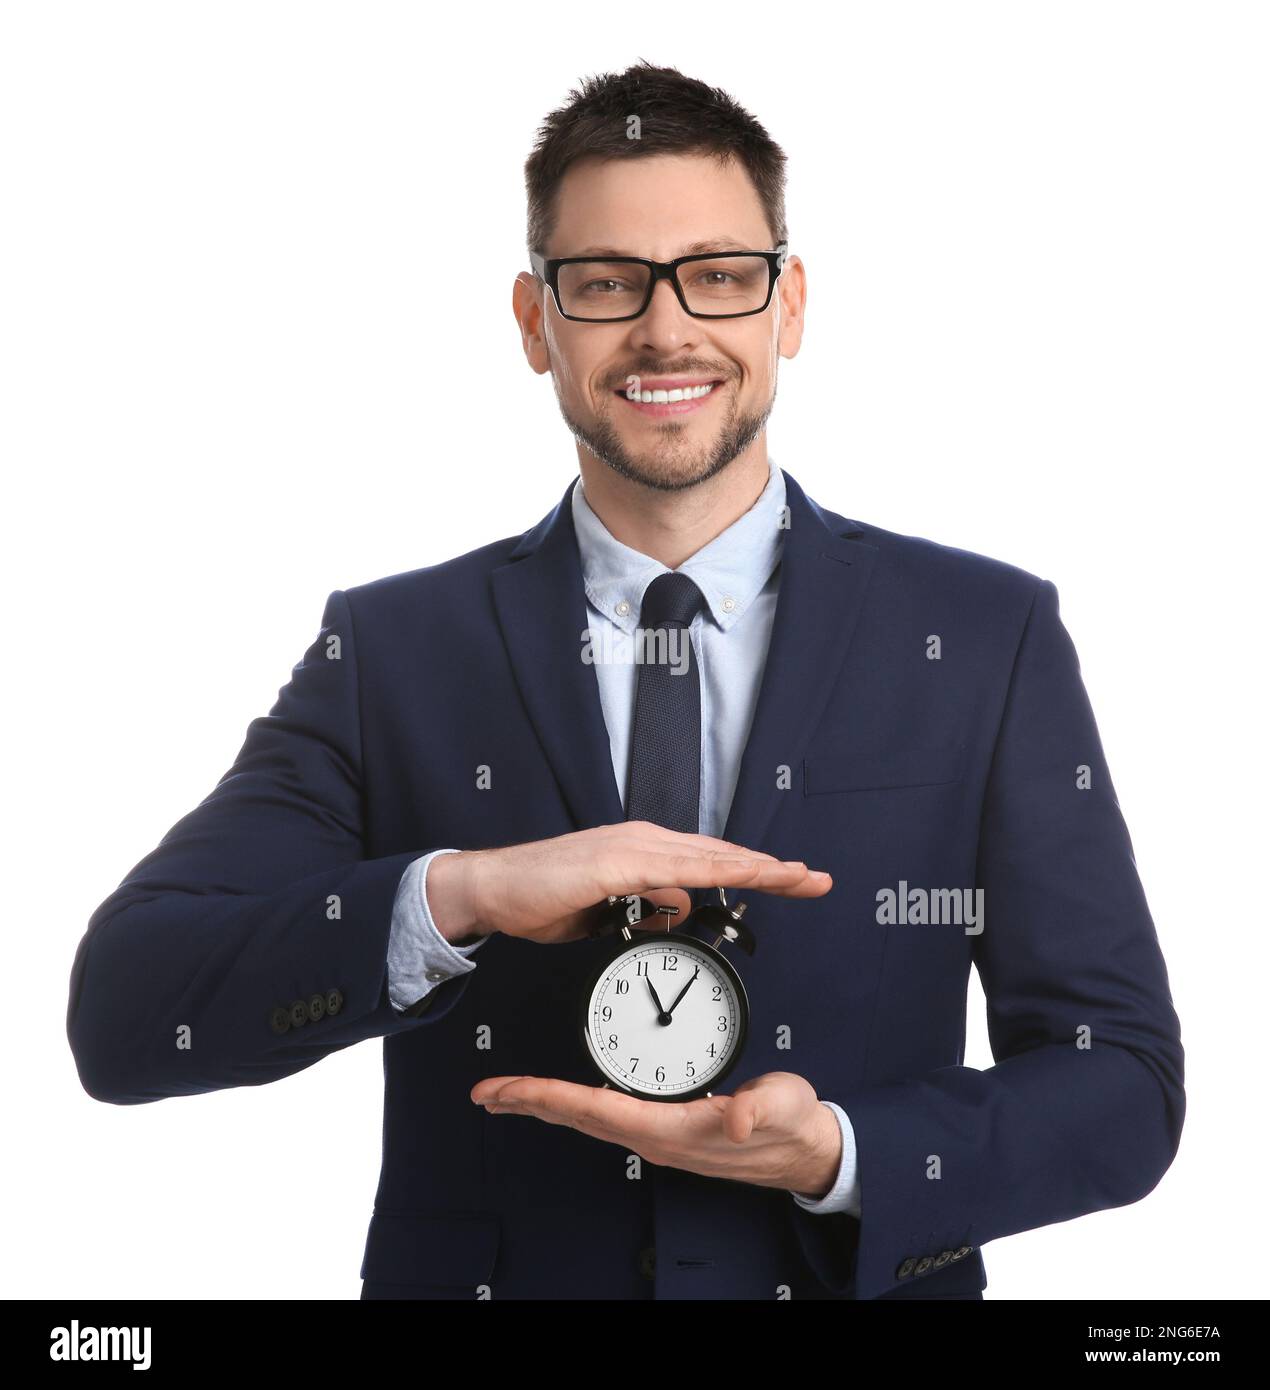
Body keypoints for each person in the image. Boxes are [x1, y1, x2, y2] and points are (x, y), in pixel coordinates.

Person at [67, 61, 1184, 1301]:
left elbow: (1122, 1079)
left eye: (717, 274)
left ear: (788, 305)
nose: (666, 329)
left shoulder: (982, 632)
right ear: (535, 320)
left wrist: (845, 1155)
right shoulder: (393, 652)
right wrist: (461, 893)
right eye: (606, 284)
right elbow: (127, 1014)